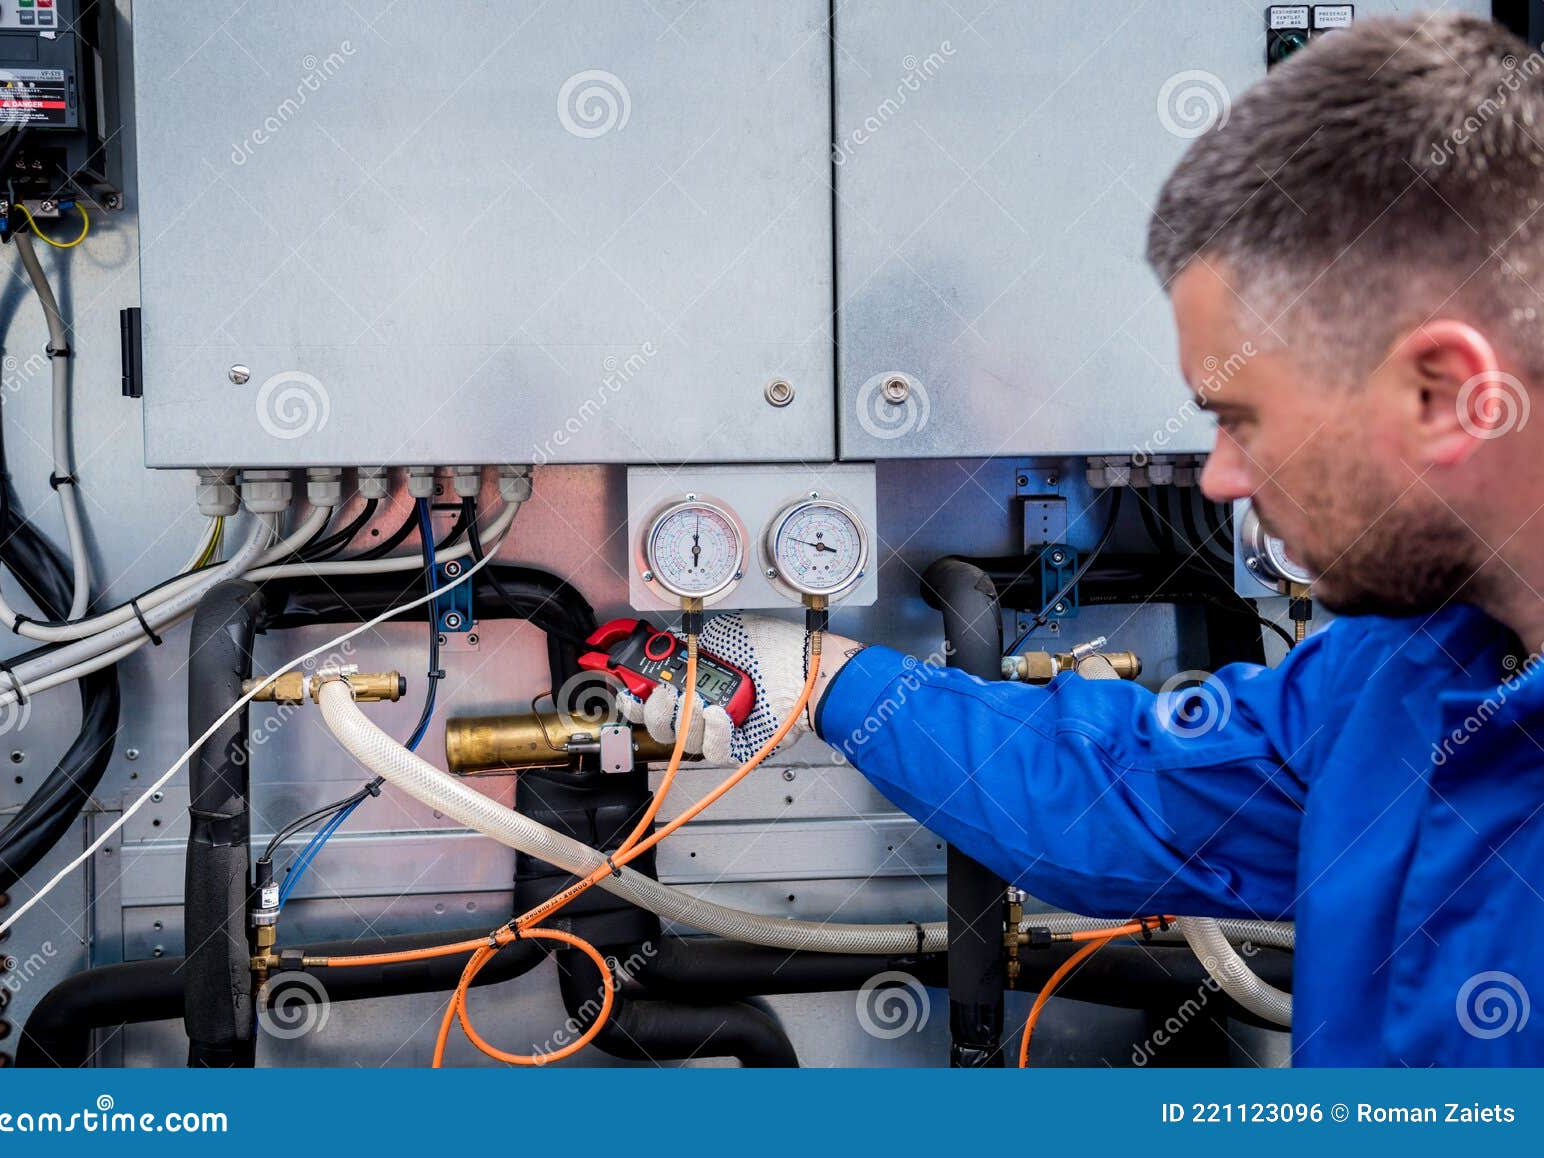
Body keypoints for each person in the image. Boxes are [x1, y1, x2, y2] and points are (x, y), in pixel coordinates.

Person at [627, 15, 1544, 1065]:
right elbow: (1133, 792)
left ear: (1440, 394)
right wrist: (827, 680)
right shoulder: (1410, 671)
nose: (1219, 479)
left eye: (1246, 419)